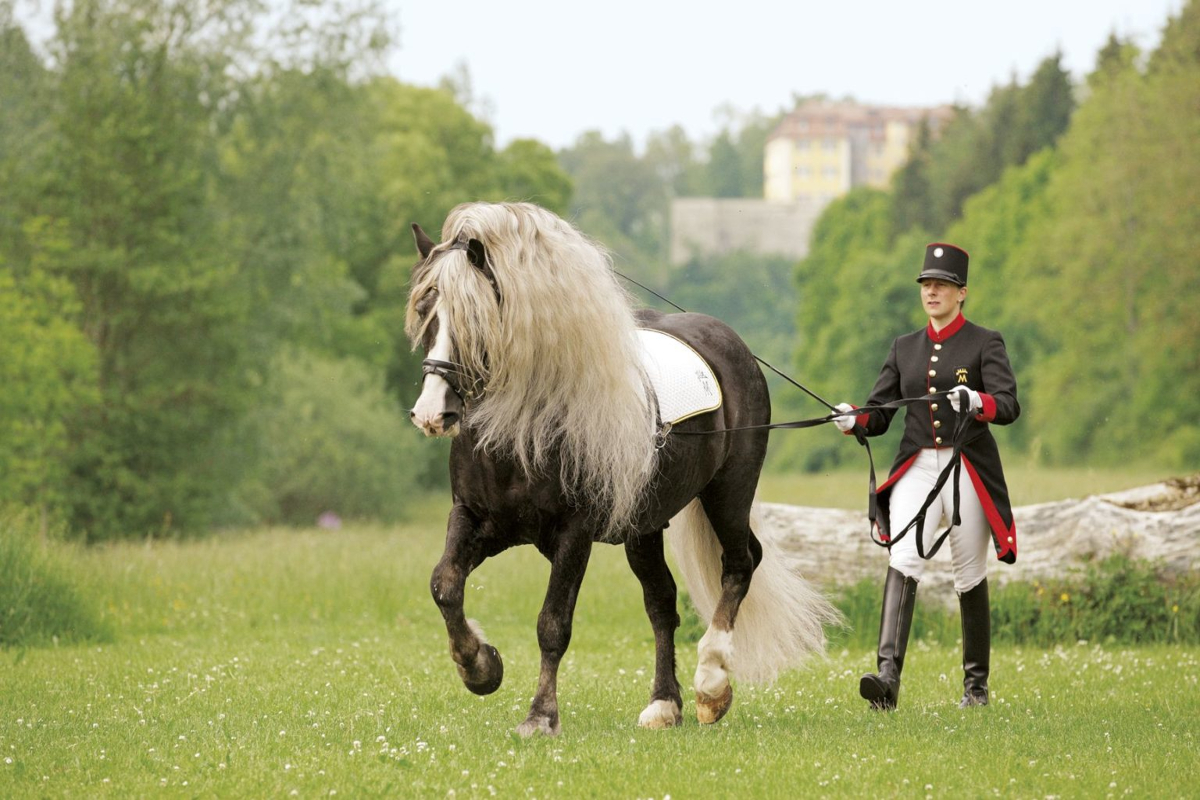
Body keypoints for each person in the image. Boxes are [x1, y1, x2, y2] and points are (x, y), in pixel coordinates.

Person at [832, 242, 1020, 711]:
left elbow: (1009, 405)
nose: (931, 291)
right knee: (904, 559)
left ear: (962, 292)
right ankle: (887, 680)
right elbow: (880, 414)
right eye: (926, 284)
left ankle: (975, 689)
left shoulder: (985, 341)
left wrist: (978, 402)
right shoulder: (904, 348)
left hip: (967, 469)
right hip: (916, 467)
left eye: (941, 284)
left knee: (969, 575)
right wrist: (853, 418)